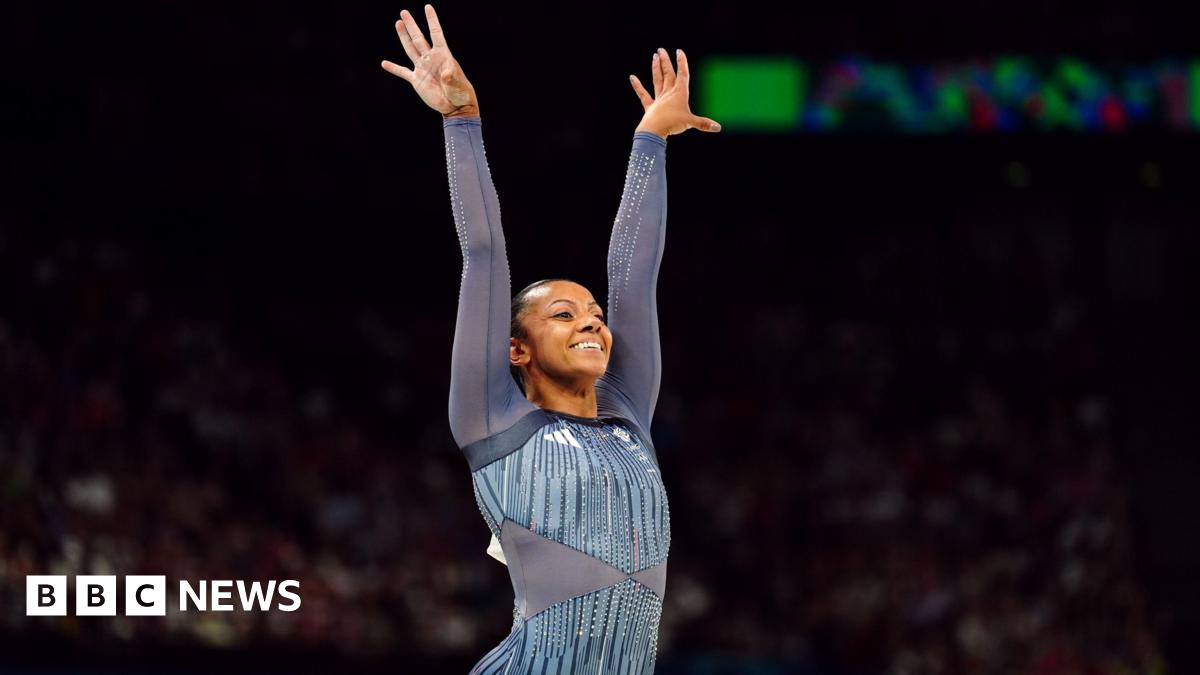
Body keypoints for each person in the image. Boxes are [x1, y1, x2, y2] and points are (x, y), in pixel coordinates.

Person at [382, 5, 719, 672]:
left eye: (593, 313)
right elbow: (482, 252)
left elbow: (634, 275)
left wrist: (651, 138)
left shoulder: (627, 413)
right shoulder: (492, 416)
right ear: (517, 350)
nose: (594, 320)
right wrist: (461, 121)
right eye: (563, 315)